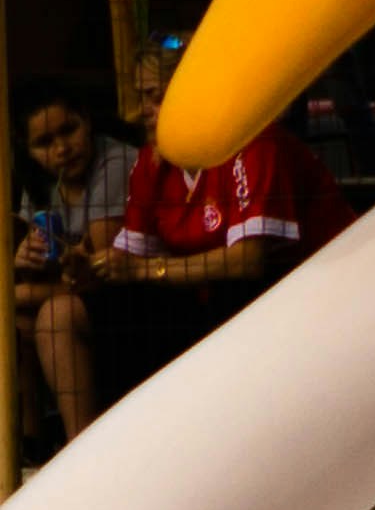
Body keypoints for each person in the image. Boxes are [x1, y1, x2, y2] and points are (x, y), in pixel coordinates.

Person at [85, 35, 332, 402]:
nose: (145, 111)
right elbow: (128, 262)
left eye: (158, 96)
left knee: (225, 296)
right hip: (214, 302)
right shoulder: (151, 162)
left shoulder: (252, 141)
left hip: (308, 294)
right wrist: (88, 266)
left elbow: (248, 260)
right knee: (111, 309)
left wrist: (143, 271)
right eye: (142, 97)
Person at [13, 86, 133, 443]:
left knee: (52, 315)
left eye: (69, 130)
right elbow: (38, 259)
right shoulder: (40, 183)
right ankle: (29, 446)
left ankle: (79, 444)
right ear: (29, 150)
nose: (61, 149)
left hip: (129, 288)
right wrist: (23, 260)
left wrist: (15, 292)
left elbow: (99, 274)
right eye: (45, 142)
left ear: (87, 120)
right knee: (17, 324)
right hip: (68, 290)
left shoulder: (115, 163)